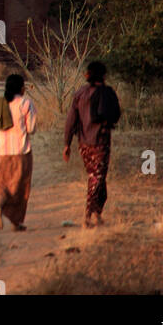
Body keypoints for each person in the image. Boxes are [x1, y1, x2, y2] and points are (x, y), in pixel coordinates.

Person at [63, 59, 121, 227]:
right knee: (98, 178)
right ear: (103, 75)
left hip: (83, 144)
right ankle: (88, 216)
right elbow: (116, 115)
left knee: (96, 178)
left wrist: (67, 143)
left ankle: (97, 214)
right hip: (101, 142)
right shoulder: (107, 92)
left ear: (88, 74)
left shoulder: (80, 93)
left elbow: (70, 120)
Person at [0, 72, 37, 231]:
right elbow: (31, 129)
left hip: (2, 152)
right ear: (21, 88)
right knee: (20, 187)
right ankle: (16, 222)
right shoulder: (26, 103)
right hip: (21, 152)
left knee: (2, 184)